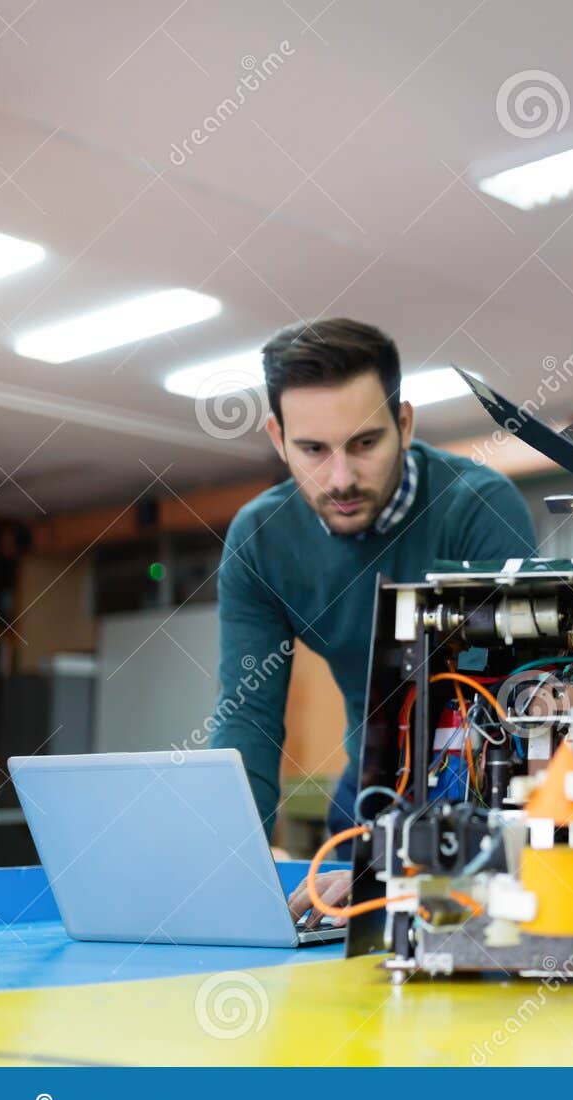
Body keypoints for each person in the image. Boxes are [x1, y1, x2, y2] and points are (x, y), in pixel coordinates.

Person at [208, 318, 536, 924]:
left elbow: (515, 708)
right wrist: (234, 869)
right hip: (366, 791)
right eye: (313, 450)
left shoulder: (477, 509)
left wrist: (399, 874)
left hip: (478, 794)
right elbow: (248, 715)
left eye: (364, 444)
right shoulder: (260, 540)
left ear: (404, 424)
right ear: (278, 438)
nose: (340, 479)